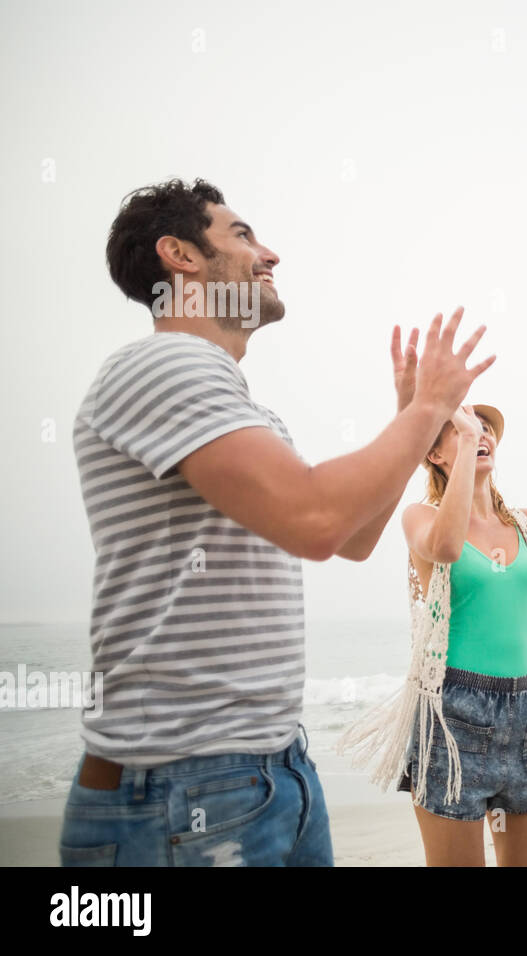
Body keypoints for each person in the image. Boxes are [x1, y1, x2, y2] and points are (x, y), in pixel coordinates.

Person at [60, 179, 493, 867]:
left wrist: (414, 418)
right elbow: (315, 518)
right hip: (181, 790)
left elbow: (350, 540)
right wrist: (422, 414)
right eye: (241, 235)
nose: (270, 254)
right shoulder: (161, 364)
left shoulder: (253, 415)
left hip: (274, 772)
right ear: (180, 255)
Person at [342, 404, 527, 866]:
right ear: (434, 454)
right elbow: (445, 548)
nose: (479, 432)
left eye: (486, 426)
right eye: (461, 429)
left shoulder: (523, 524)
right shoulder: (419, 517)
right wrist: (470, 445)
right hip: (455, 720)